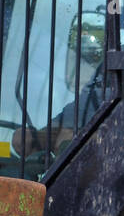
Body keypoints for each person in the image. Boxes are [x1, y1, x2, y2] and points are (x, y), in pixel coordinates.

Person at [11, 9, 107, 159]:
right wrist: (41, 135)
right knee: (21, 137)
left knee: (68, 140)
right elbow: (78, 109)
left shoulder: (119, 81)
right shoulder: (95, 87)